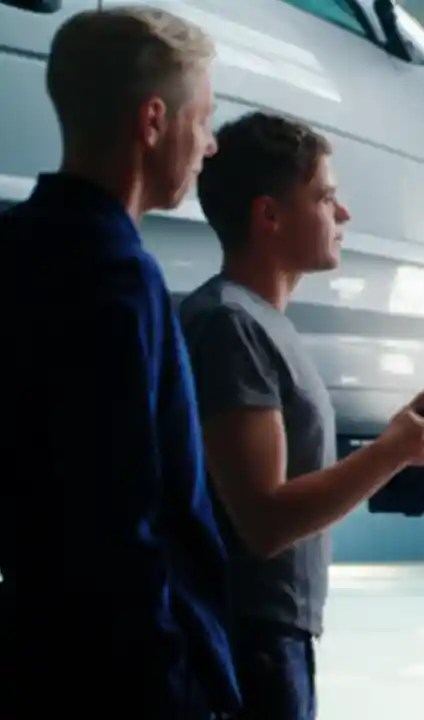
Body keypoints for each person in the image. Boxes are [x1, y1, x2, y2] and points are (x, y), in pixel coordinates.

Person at [178, 110, 424, 720]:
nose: (344, 215)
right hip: (252, 638)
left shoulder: (260, 323)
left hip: (273, 634)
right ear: (270, 216)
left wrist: (406, 443)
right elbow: (264, 519)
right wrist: (393, 449)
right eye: (326, 197)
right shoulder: (232, 324)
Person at [0, 7, 240, 718]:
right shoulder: (116, 276)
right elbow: (123, 513)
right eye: (204, 120)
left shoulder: (17, 246)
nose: (211, 147)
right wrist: (177, 682)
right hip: (129, 677)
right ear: (154, 121)